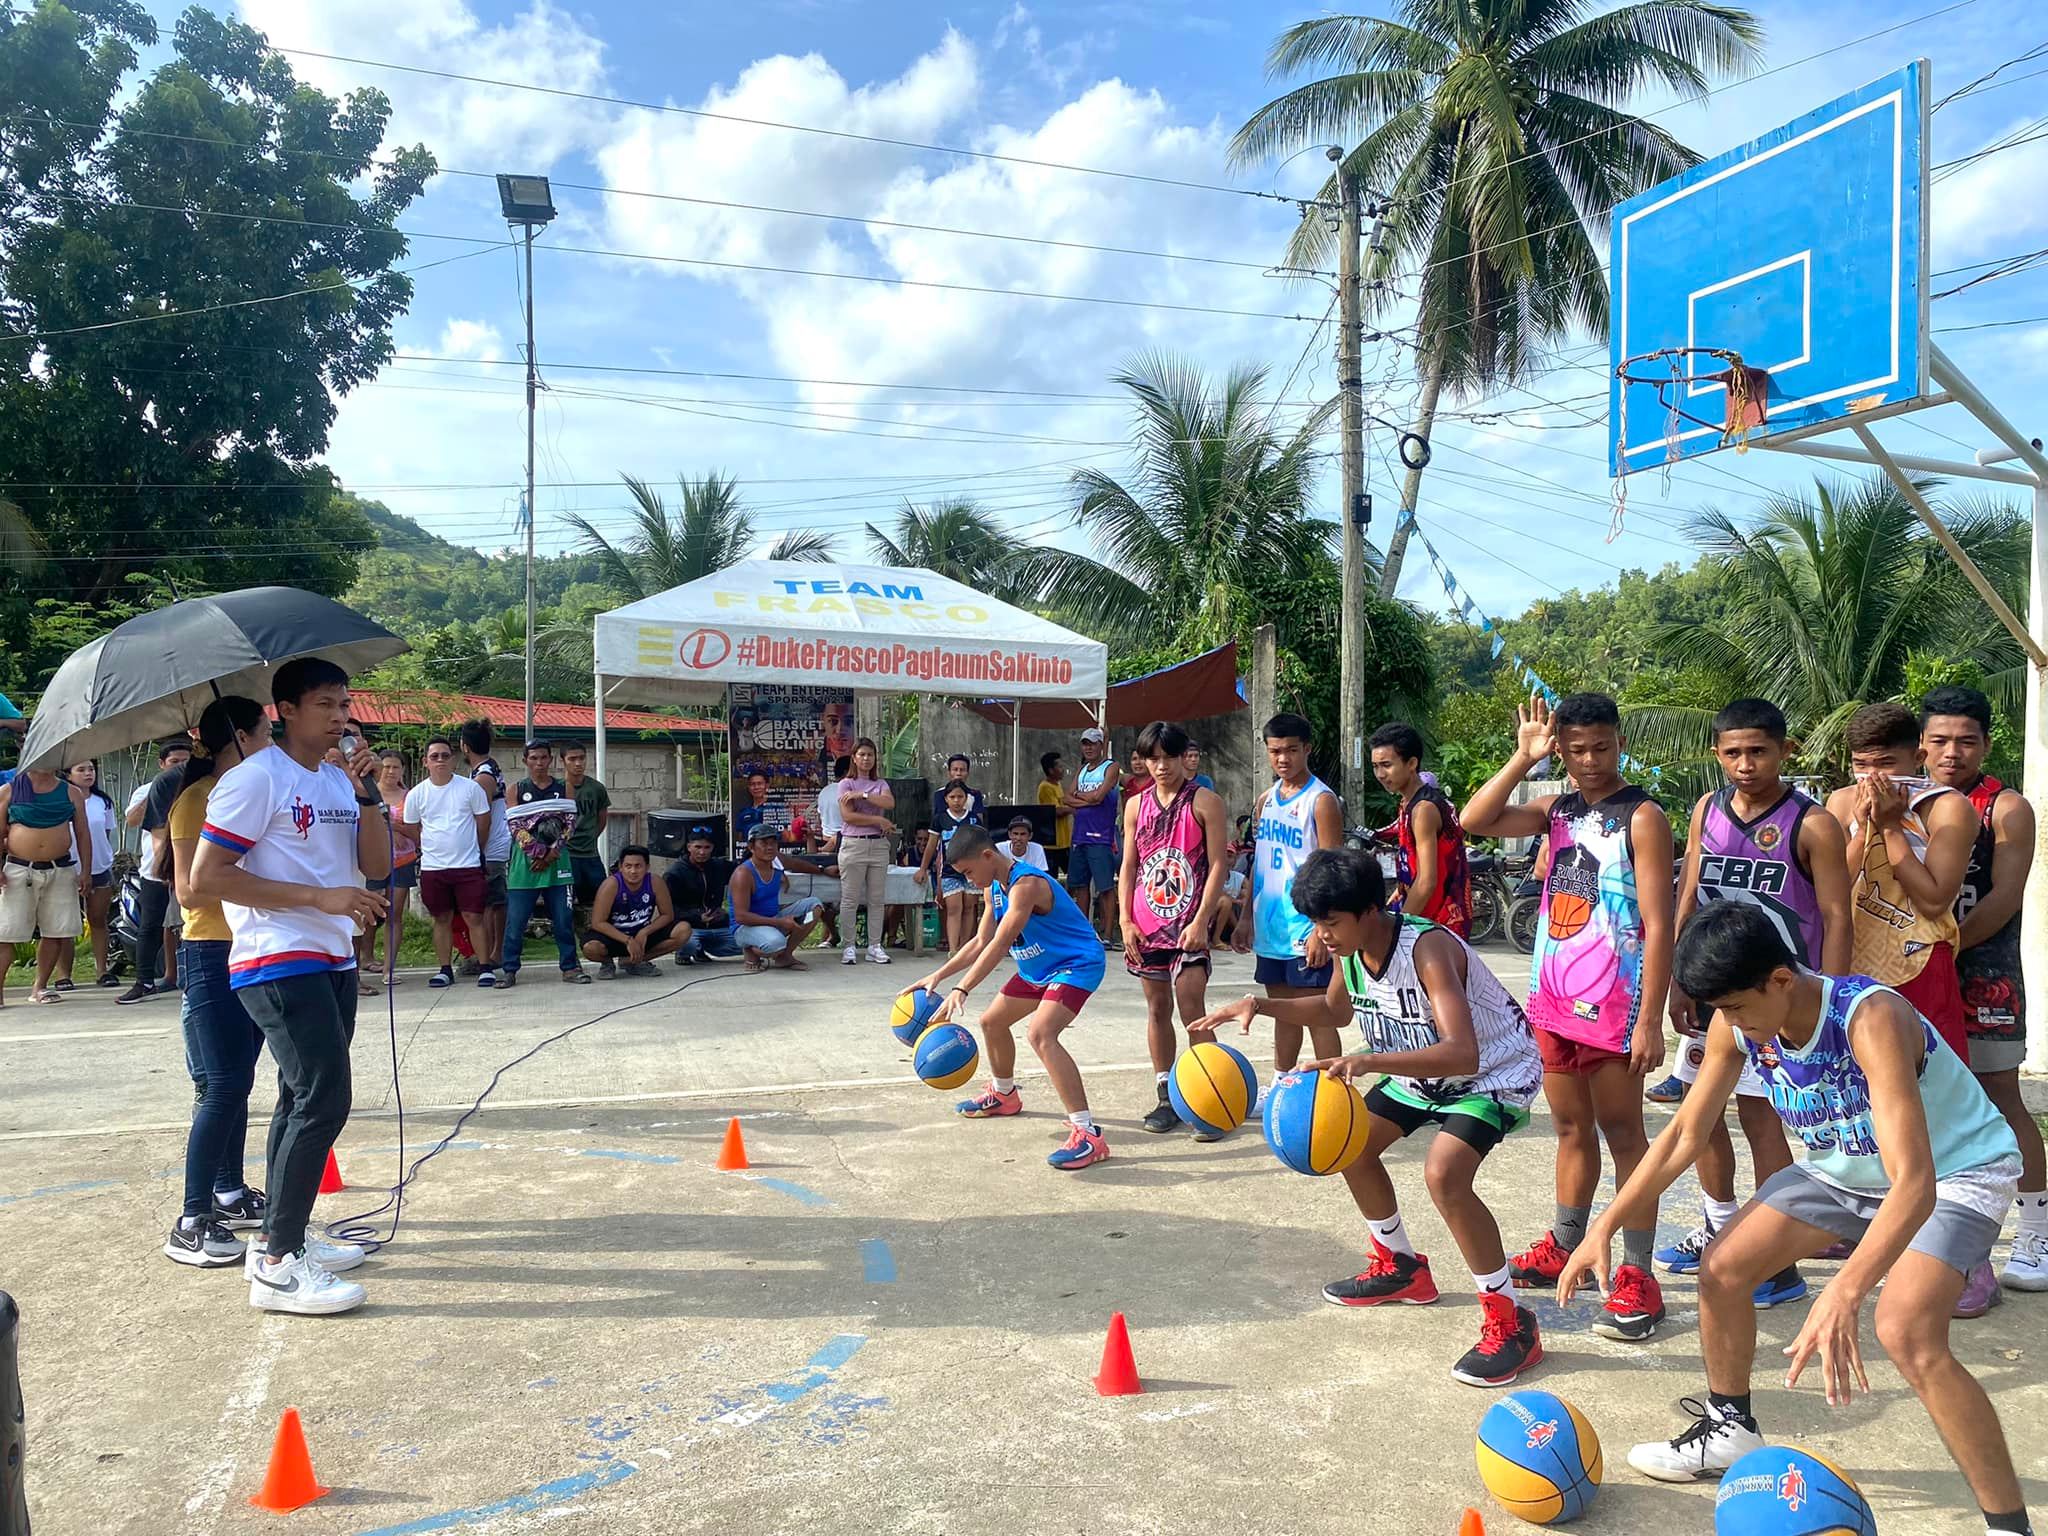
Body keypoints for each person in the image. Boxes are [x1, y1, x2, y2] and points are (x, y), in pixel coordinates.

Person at [1561, 906, 2033, 1536]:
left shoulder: (1872, 1020)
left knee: (1907, 1332)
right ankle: (1730, 1430)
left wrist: (1847, 1286)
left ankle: (2008, 1526)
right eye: (1720, 1013)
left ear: (1781, 980)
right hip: (1844, 1168)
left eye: (1736, 1008)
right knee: (1723, 1267)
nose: (1730, 1027)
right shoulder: (1742, 1026)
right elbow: (1683, 1134)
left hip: (1954, 1171)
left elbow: (1914, 1183)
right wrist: (1604, 1226)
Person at [1203, 847, 1545, 1384]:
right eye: (1317, 922)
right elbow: (1335, 1011)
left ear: (1370, 909)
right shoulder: (1350, 949)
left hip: (1492, 1073)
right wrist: (1259, 1004)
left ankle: (1512, 1322)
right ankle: (1401, 1268)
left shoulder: (1426, 948)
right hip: (1420, 1071)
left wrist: (1368, 1061)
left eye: (1331, 922)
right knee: (1353, 1144)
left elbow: (1463, 1053)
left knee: (1445, 1175)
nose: (1324, 933)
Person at [1461, 692, 1674, 1341]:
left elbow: (1661, 924)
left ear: (1618, 742)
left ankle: (1638, 1271)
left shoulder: (1642, 816)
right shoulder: (1556, 810)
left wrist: (1649, 1019)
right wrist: (1522, 758)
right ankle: (1565, 1238)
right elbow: (1476, 818)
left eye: (1600, 747)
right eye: (1575, 749)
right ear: (1561, 749)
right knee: (1569, 1129)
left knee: (1624, 1133)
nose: (1589, 761)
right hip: (1553, 1002)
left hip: (1614, 1004)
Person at [190, 657, 390, 1317]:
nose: (341, 716)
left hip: (330, 958)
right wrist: (318, 896)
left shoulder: (335, 780)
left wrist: (366, 796)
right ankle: (277, 1263)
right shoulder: (254, 780)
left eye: (345, 704)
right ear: (287, 712)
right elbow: (207, 878)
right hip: (276, 958)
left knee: (298, 1100)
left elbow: (377, 865)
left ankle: (286, 1236)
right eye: (327, 704)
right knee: (325, 1098)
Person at [1657, 698, 1851, 1311]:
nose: (1746, 764)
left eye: (1759, 751)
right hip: (1717, 990)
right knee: (1701, 1111)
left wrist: (1834, 1000)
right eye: (1734, 752)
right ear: (1717, 754)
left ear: (1785, 751)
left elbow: (1838, 915)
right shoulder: (1705, 811)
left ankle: (1778, 1261)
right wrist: (1677, 982)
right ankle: (1721, 1222)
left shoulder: (1811, 823)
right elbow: (1687, 896)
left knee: (1763, 1119)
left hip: (1779, 997)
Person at [1920, 685, 2046, 1295]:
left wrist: (1947, 948)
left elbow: (2004, 897)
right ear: (1922, 744)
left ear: (1986, 745)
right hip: (1916, 974)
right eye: (1940, 740)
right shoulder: (1906, 801)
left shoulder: (2006, 807)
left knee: (2001, 1100)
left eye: (1965, 741)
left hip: (1981, 972)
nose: (1952, 752)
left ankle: (2036, 1231)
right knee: (1926, 1105)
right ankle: (1956, 1247)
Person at [910, 823, 1112, 1170]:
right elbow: (979, 941)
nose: (970, 880)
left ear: (988, 856)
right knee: (992, 1022)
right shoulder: (993, 889)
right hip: (1039, 966)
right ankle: (1004, 1094)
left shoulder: (1026, 885)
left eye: (970, 871)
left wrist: (963, 988)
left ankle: (1088, 1134)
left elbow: (1001, 944)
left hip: (1076, 964)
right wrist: (940, 975)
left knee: (1041, 1034)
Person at [164, 696, 276, 1269]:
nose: (271, 741)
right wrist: (260, 881)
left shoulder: (253, 790)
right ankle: (190, 1219)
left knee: (240, 1080)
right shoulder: (195, 801)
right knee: (221, 1086)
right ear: (240, 736)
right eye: (265, 732)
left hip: (252, 947)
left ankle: (229, 1192)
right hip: (210, 949)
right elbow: (189, 891)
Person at [1823, 702, 1974, 1064]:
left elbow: (1934, 900)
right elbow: (1828, 893)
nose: (1873, 777)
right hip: (1852, 957)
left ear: (1918, 757)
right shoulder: (1842, 803)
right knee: (1856, 1078)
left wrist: (1891, 828)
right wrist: (1862, 835)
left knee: (1929, 1076)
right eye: (1862, 766)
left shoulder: (1946, 808)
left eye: (1886, 764)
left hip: (1919, 956)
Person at [1119, 720, 1231, 1137]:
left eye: (1169, 756)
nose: (1161, 765)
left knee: (1191, 1008)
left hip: (1189, 925)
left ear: (1185, 756)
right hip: (1148, 926)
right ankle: (1166, 1095)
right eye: (1153, 758)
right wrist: (1125, 919)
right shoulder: (1135, 805)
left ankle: (1211, 1096)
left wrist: (1203, 920)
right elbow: (1129, 864)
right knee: (1156, 1009)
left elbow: (1219, 862)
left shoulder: (1204, 801)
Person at [1237, 712, 1346, 1081]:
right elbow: (1258, 859)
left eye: (1291, 750)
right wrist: (1245, 916)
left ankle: (1336, 1091)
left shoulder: (1321, 801)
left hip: (1304, 926)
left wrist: (1320, 929)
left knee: (1317, 1013)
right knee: (1282, 1011)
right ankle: (1281, 1082)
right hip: (1271, 927)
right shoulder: (1265, 800)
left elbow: (1333, 869)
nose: (1283, 758)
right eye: (1275, 751)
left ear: (1307, 750)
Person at [398, 737, 491, 990]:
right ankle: (444, 969)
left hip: (468, 866)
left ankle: (485, 967)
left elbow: (483, 822)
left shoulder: (471, 789)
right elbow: (412, 827)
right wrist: (430, 845)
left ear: (453, 759)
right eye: (434, 756)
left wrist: (475, 849)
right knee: (442, 919)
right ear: (425, 761)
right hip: (433, 868)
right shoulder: (417, 794)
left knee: (474, 916)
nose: (440, 760)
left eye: (444, 755)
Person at [0, 760, 91, 1006]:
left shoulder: (70, 791)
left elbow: (82, 833)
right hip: (19, 869)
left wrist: (86, 871)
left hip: (60, 868)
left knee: (56, 931)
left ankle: (40, 986)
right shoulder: (10, 790)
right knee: (5, 932)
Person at [1369, 721, 1472, 936]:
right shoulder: (1409, 803)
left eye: (1386, 765)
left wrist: (1396, 931)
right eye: (1375, 766)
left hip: (1438, 924)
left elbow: (1427, 882)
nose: (1379, 774)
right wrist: (1402, 890)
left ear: (1412, 763)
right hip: (1427, 918)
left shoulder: (1423, 809)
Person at [502, 740, 590, 987]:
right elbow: (515, 825)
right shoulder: (515, 789)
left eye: (543, 758)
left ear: (551, 759)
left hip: (558, 863)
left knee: (563, 919)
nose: (539, 763)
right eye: (533, 758)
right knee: (516, 921)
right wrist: (537, 852)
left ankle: (570, 967)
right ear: (525, 761)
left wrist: (552, 853)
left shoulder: (565, 788)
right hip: (525, 864)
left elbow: (570, 823)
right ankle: (509, 970)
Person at [117, 739, 192, 1005]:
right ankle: (143, 981)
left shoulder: (197, 787)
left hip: (192, 868)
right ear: (161, 764)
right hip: (156, 870)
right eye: (174, 763)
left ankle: (187, 976)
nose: (180, 767)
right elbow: (132, 820)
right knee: (150, 926)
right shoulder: (147, 789)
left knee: (188, 924)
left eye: (186, 761)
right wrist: (160, 790)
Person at [729, 825, 831, 972]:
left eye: (773, 843)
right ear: (751, 846)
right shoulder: (743, 874)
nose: (770, 847)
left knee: (814, 905)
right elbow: (741, 917)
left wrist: (823, 870)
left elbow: (797, 864)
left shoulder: (776, 861)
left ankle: (785, 957)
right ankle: (751, 949)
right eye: (764, 843)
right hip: (745, 927)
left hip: (772, 919)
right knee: (776, 943)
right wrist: (780, 922)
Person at [356, 749, 416, 990]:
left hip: (402, 861)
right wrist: (388, 828)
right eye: (387, 766)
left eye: (396, 767)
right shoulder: (366, 792)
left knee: (395, 914)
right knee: (368, 915)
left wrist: (395, 828)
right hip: (372, 861)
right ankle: (364, 958)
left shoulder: (410, 796)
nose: (391, 772)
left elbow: (417, 831)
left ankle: (390, 968)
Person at [54, 759, 116, 988]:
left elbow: (105, 833)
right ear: (69, 775)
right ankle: (63, 975)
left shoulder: (103, 802)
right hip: (66, 867)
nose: (88, 774)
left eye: (91, 769)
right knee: (65, 924)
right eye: (81, 770)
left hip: (99, 868)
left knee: (98, 920)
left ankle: (102, 970)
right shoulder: (61, 801)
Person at [582, 845, 684, 977]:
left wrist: (644, 932)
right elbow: (598, 922)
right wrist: (628, 940)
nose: (633, 871)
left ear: (647, 867)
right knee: (591, 948)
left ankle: (634, 961)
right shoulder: (611, 885)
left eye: (638, 866)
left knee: (683, 930)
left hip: (642, 934)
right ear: (621, 867)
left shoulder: (655, 882)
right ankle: (607, 963)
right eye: (628, 866)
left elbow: (667, 915)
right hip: (614, 936)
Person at [835, 737, 894, 965]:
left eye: (870, 755)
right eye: (862, 755)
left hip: (878, 845)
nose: (866, 759)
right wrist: (878, 819)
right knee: (850, 899)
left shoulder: (880, 783)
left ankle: (874, 945)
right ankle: (848, 946)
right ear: (854, 758)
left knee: (877, 899)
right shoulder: (846, 783)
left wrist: (864, 796)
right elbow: (848, 816)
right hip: (854, 844)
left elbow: (889, 803)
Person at [460, 719, 511, 978]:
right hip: (490, 844)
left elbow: (483, 816)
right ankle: (491, 952)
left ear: (464, 746)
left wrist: (477, 847)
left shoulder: (483, 776)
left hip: (490, 845)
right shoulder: (485, 769)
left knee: (492, 902)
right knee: (490, 901)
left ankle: (494, 953)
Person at [1063, 727, 1120, 943]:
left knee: (1105, 886)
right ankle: (1084, 932)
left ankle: (1106, 934)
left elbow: (1099, 797)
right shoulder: (1083, 769)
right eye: (1085, 743)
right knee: (1080, 886)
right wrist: (1086, 798)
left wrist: (1080, 796)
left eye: (1092, 743)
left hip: (1101, 837)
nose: (1088, 747)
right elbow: (1066, 798)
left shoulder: (1111, 767)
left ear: (1101, 745)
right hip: (1080, 836)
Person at [918, 779, 981, 953]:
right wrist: (923, 868)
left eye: (960, 797)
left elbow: (982, 845)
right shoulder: (940, 819)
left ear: (966, 798)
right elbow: (931, 846)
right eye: (952, 797)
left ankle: (964, 948)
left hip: (971, 871)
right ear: (946, 799)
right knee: (954, 908)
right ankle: (953, 950)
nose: (956, 800)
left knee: (969, 907)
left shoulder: (974, 819)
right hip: (949, 870)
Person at [666, 826, 739, 964]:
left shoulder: (719, 866)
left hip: (718, 926)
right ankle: (689, 950)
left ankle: (703, 948)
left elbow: (746, 869)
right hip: (690, 927)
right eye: (697, 847)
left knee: (748, 942)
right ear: (689, 847)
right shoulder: (674, 873)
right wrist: (697, 916)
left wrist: (775, 870)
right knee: (689, 944)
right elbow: (669, 910)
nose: (702, 852)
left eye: (707, 847)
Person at [561, 745, 612, 912]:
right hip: (567, 854)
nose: (578, 763)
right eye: (572, 759)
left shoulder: (596, 788)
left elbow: (602, 819)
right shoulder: (558, 789)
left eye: (582, 758)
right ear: (563, 761)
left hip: (590, 854)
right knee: (565, 905)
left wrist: (590, 837)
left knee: (602, 902)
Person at [1036, 751, 1073, 880]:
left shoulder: (1058, 785)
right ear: (1051, 770)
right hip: (1052, 844)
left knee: (1074, 876)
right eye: (1060, 767)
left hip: (1064, 842)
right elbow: (1055, 811)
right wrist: (1074, 809)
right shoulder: (1045, 787)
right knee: (1051, 879)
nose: (1063, 770)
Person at [735, 771, 775, 846]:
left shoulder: (775, 808)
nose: (756, 787)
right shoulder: (743, 812)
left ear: (767, 785)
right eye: (752, 784)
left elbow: (785, 835)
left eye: (759, 784)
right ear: (749, 788)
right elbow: (740, 838)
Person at [943, 754, 987, 820]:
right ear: (949, 772)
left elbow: (978, 821)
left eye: (962, 770)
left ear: (968, 773)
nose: (958, 773)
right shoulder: (939, 794)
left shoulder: (975, 794)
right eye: (955, 769)